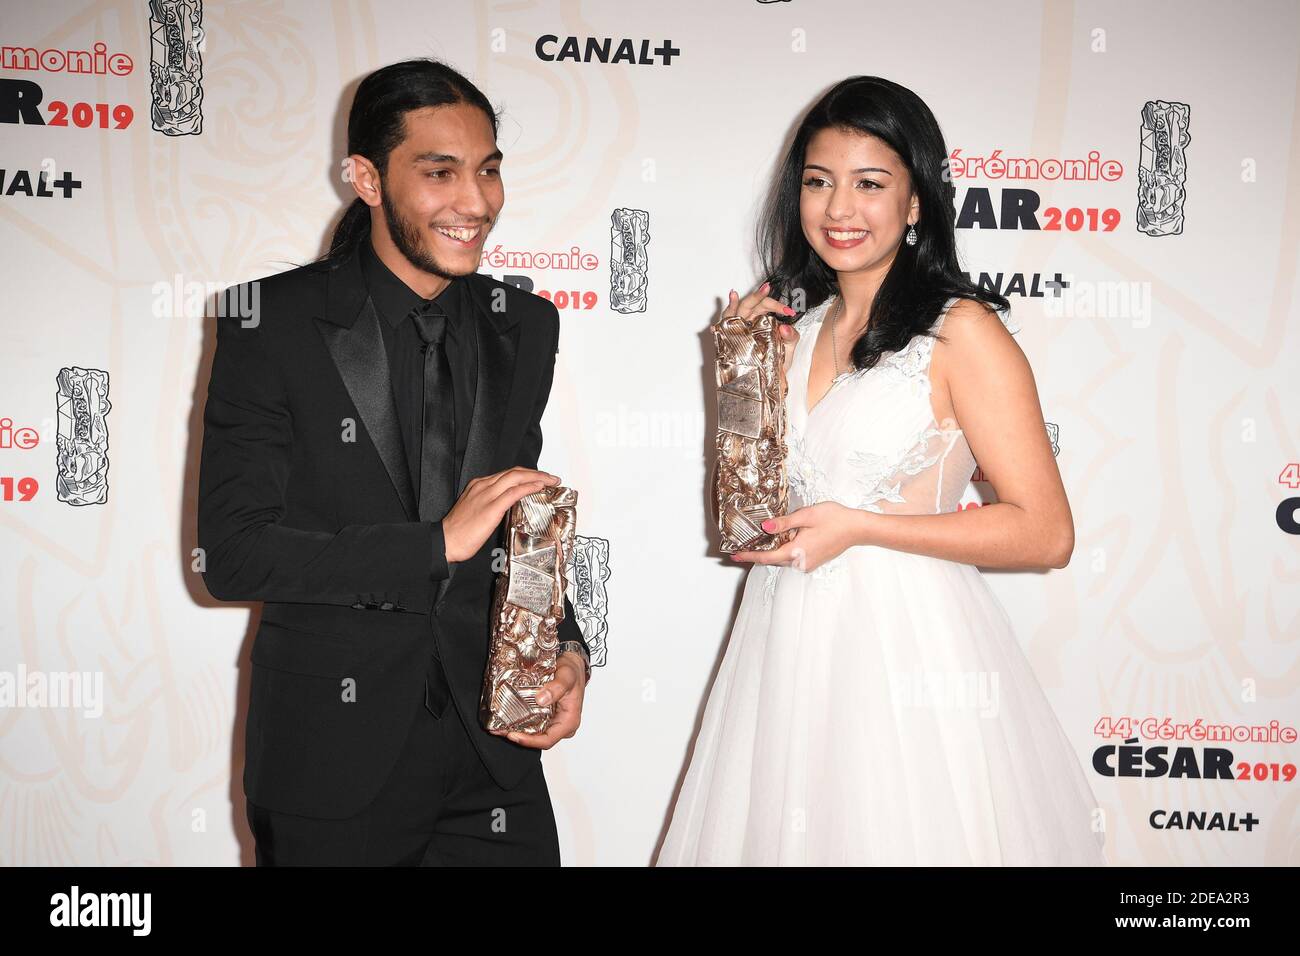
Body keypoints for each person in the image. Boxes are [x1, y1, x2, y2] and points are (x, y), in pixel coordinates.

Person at [658, 76, 1106, 865]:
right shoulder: (793, 328)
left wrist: (861, 526)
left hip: (910, 651)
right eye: (818, 182)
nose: (839, 210)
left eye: (870, 184)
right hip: (785, 644)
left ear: (916, 202)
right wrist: (741, 381)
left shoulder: (962, 331)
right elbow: (744, 525)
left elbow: (1046, 533)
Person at [197, 58, 590, 866]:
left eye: (487, 170)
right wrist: (434, 544)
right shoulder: (270, 321)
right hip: (331, 759)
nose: (475, 203)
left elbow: (523, 519)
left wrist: (567, 648)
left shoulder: (526, 325)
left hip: (495, 754)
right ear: (368, 179)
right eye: (439, 173)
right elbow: (231, 555)